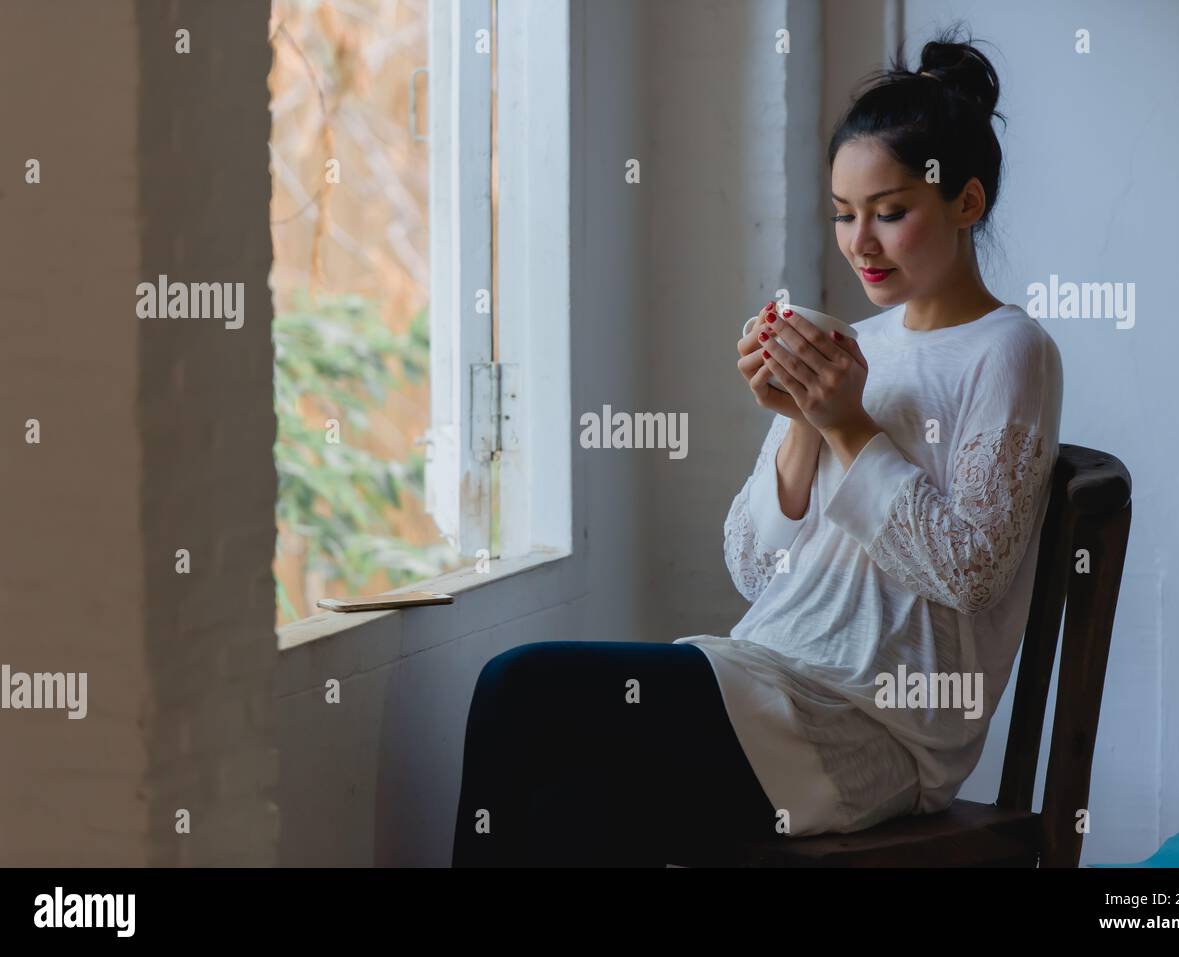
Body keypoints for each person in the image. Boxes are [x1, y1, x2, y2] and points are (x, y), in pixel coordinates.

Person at [451, 24, 1063, 867]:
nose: (861, 242)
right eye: (846, 215)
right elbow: (751, 565)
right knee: (556, 771)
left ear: (966, 202)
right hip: (770, 666)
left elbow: (972, 574)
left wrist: (848, 423)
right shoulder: (858, 345)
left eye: (891, 213)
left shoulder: (1010, 350)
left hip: (878, 726)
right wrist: (798, 420)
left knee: (523, 692)